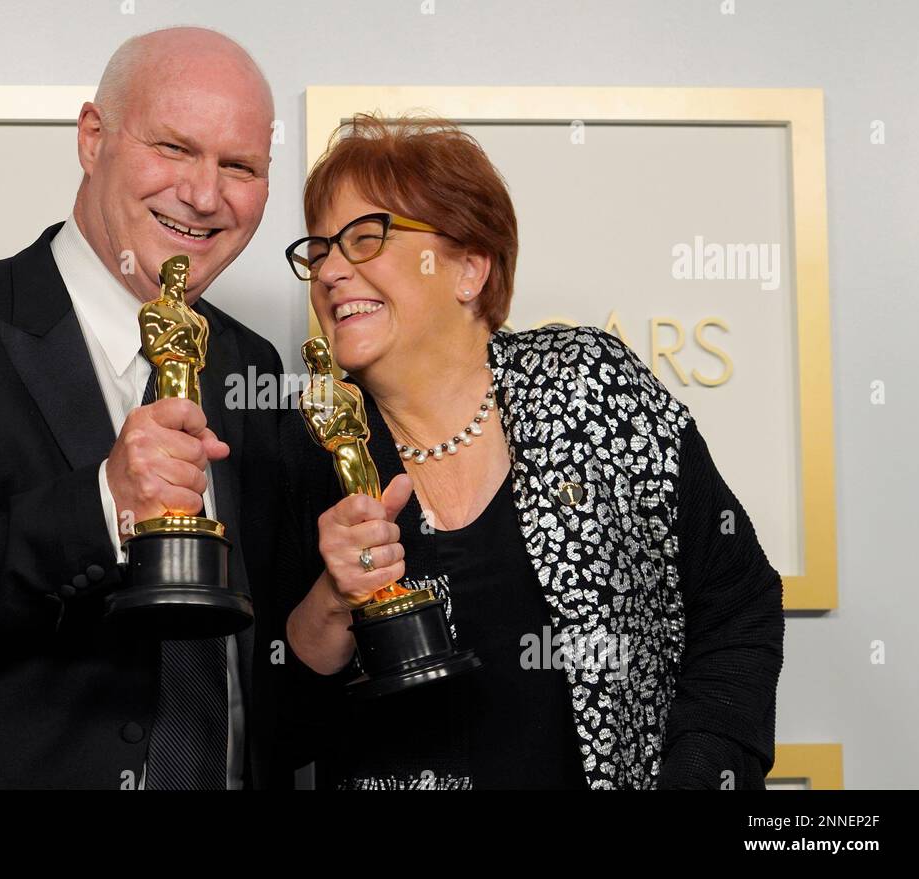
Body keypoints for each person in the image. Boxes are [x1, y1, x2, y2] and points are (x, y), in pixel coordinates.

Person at [0, 26, 288, 789]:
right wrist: (105, 505)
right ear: (92, 138)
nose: (204, 194)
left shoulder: (251, 366)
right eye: (173, 148)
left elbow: (252, 657)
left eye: (239, 165)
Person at [279, 114, 785, 789]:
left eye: (365, 239)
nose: (331, 271)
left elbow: (738, 602)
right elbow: (277, 722)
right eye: (320, 251)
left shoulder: (591, 386)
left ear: (468, 266)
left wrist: (699, 772)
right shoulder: (307, 448)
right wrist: (333, 600)